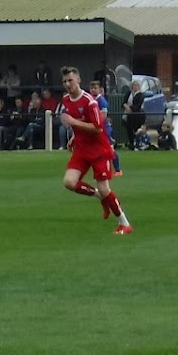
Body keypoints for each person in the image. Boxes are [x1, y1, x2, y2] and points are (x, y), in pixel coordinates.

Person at [58, 66, 132, 235]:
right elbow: (79, 123)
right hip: (82, 150)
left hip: (99, 150)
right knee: (69, 182)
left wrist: (74, 123)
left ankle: (124, 223)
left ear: (78, 80)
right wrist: (74, 138)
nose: (68, 84)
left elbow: (98, 129)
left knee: (106, 189)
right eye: (64, 81)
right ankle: (101, 198)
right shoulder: (66, 100)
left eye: (70, 80)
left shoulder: (90, 101)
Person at [89, 81, 122, 176]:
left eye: (95, 88)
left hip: (104, 129)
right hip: (97, 128)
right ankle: (101, 168)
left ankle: (118, 169)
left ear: (100, 89)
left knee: (110, 150)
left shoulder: (101, 101)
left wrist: (94, 123)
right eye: (92, 88)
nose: (93, 90)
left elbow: (103, 116)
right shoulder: (91, 100)